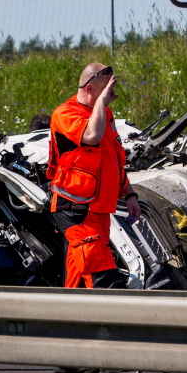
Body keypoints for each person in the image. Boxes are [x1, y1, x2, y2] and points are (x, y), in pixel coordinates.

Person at [47, 63, 140, 289]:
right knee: (101, 274)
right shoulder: (65, 113)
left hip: (98, 208)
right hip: (75, 208)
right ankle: (109, 320)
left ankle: (65, 318)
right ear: (90, 89)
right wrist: (101, 102)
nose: (109, 96)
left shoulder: (104, 113)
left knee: (78, 276)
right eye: (105, 91)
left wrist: (130, 194)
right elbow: (91, 136)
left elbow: (113, 157)